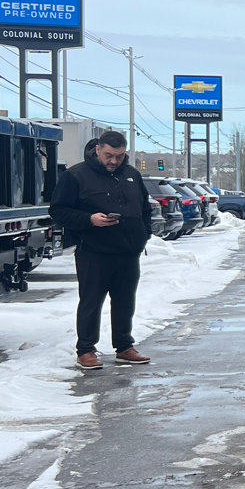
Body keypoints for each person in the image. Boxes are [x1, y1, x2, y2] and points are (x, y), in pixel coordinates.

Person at [49, 129, 153, 370]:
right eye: (108, 155)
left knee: (125, 302)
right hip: (93, 251)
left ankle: (124, 347)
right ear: (97, 149)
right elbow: (58, 211)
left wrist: (143, 234)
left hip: (128, 252)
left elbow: (144, 209)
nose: (113, 161)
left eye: (118, 156)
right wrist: (89, 219)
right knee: (91, 302)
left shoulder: (132, 175)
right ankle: (86, 350)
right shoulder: (76, 175)